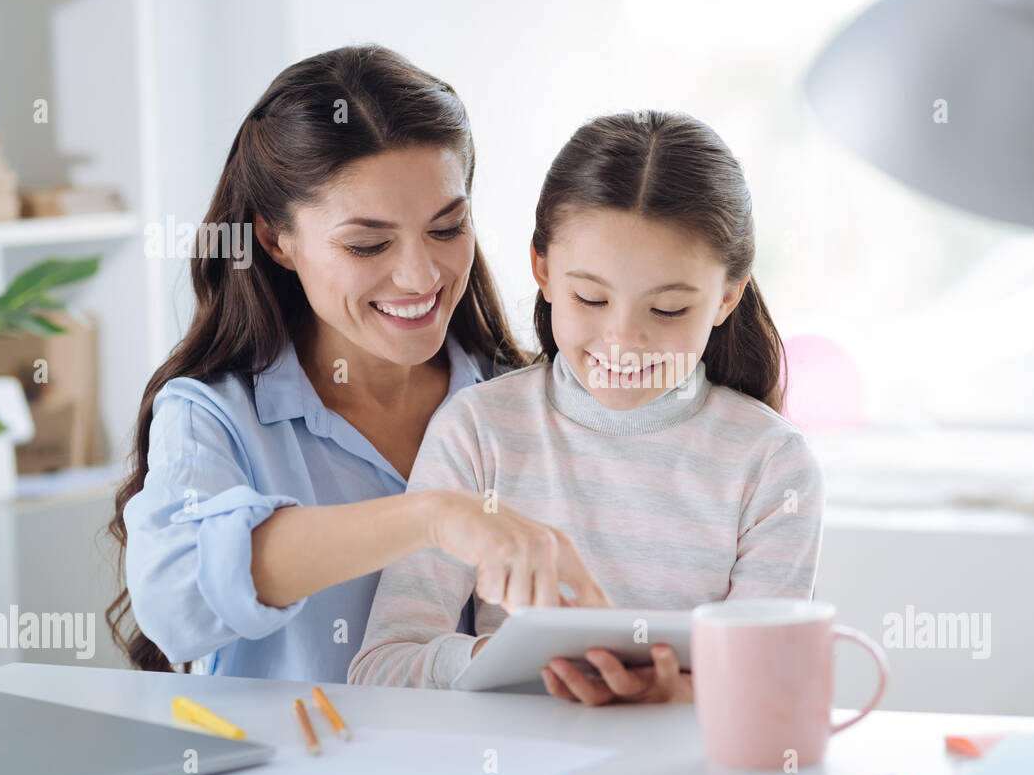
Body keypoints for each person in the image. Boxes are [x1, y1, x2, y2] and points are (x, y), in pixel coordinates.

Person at [108, 45, 607, 684]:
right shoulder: (218, 417)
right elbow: (175, 601)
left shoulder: (527, 400)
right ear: (275, 240)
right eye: (368, 243)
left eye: (447, 228)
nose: (421, 275)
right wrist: (435, 516)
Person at [349, 110, 825, 703]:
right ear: (543, 271)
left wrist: (670, 693)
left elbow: (770, 687)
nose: (622, 341)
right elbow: (381, 667)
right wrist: (498, 657)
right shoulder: (478, 431)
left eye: (669, 310)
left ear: (728, 296)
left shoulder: (773, 463)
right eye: (591, 298)